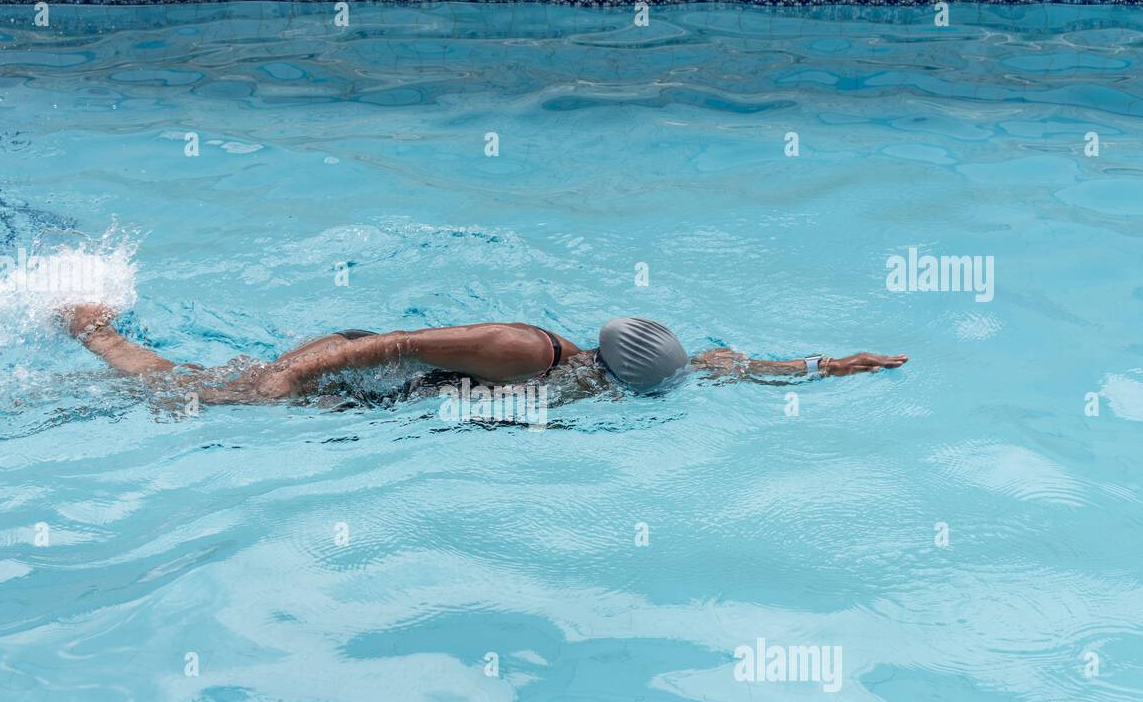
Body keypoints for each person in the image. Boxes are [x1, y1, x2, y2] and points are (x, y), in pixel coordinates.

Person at [62, 304, 908, 407]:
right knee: (211, 392)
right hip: (357, 364)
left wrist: (826, 366)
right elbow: (389, 344)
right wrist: (291, 375)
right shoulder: (525, 349)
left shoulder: (649, 369)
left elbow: (737, 364)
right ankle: (89, 327)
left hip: (388, 393)